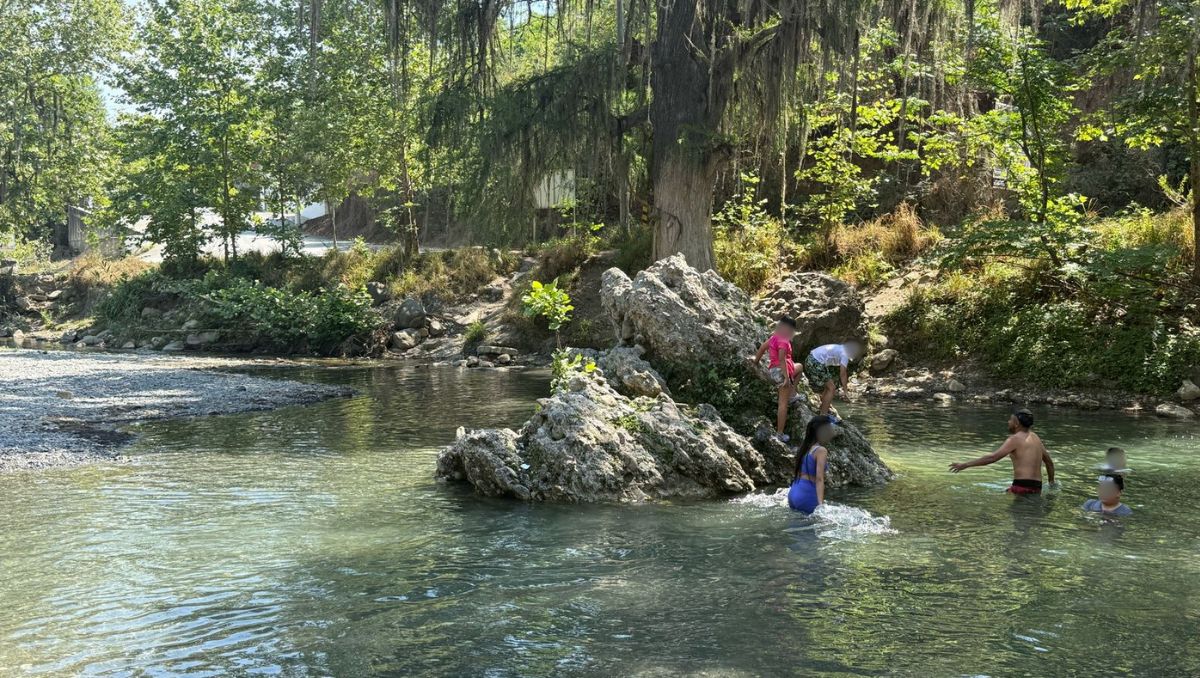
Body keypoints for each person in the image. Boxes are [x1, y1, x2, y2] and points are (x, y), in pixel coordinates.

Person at [948, 408, 1056, 494]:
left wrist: (965, 465)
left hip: (1021, 487)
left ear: (1016, 423)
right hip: (1037, 488)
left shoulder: (1014, 439)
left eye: (1010, 420)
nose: (1008, 422)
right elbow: (1049, 463)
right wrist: (1051, 483)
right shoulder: (1036, 438)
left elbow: (992, 458)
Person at [753, 316, 798, 440]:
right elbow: (782, 359)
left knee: (799, 367)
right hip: (781, 372)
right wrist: (787, 378)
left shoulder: (775, 337)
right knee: (783, 404)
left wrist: (755, 362)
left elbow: (762, 347)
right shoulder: (784, 340)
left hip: (773, 370)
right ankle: (779, 434)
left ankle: (793, 394)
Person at [788, 415, 834, 513]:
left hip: (793, 492)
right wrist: (821, 505)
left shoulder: (804, 448)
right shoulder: (821, 450)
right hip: (807, 494)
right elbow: (819, 478)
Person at [803, 340, 863, 416]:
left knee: (829, 386)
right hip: (815, 362)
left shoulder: (841, 348)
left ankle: (823, 405)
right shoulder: (845, 354)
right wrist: (845, 391)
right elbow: (843, 373)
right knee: (832, 388)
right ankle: (823, 414)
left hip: (811, 359)